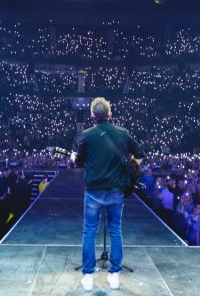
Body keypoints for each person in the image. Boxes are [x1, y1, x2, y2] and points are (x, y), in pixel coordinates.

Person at [75, 97, 144, 291]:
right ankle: (114, 275)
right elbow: (140, 154)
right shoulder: (123, 133)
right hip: (116, 191)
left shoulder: (87, 135)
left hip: (94, 192)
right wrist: (133, 168)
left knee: (89, 231)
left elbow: (79, 163)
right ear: (110, 114)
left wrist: (75, 157)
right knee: (115, 231)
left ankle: (88, 277)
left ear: (92, 116)